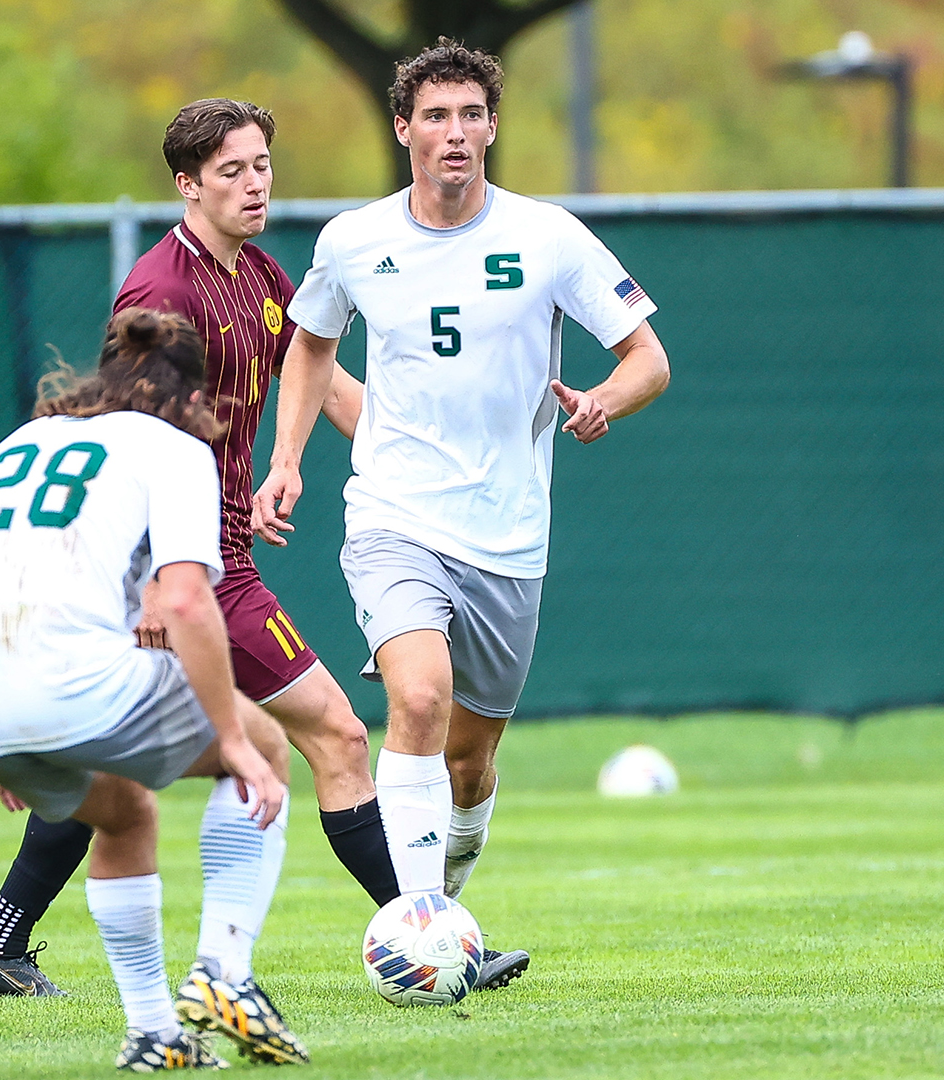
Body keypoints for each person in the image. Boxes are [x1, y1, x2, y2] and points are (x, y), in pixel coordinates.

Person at [0, 98, 536, 1008]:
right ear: (187, 185)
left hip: (221, 551)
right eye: (232, 171)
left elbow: (325, 378)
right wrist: (148, 582)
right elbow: (123, 434)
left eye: (263, 164)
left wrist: (405, 467)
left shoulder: (261, 271)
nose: (256, 183)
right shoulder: (161, 292)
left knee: (119, 767)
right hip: (178, 569)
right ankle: (431, 938)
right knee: (339, 733)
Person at [253, 39, 671, 935]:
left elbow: (649, 359)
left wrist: (601, 402)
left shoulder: (547, 235)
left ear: (492, 126)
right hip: (394, 516)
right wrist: (285, 458)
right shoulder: (355, 241)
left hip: (509, 535)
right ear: (403, 128)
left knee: (471, 762)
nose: (455, 133)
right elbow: (311, 346)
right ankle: (418, 927)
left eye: (471, 115)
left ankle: (446, 893)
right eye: (435, 116)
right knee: (417, 699)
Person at [0, 308, 307, 1069]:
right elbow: (184, 600)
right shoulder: (171, 448)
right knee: (268, 742)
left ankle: (152, 1037)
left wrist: (24, 739)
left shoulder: (17, 445)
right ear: (192, 392)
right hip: (61, 684)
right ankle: (224, 976)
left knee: (125, 810)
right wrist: (232, 738)